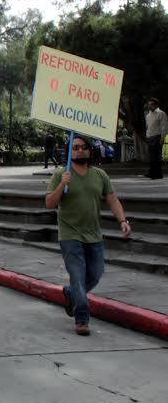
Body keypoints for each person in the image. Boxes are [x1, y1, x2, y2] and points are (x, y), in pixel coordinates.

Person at [45, 135, 131, 336]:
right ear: (69, 151)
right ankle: (82, 318)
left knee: (95, 273)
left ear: (90, 151)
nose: (80, 150)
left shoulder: (99, 175)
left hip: (93, 235)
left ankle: (69, 294)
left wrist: (123, 221)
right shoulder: (61, 174)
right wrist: (61, 185)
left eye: (84, 147)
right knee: (77, 277)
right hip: (69, 235)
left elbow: (113, 200)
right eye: (75, 147)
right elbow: (49, 203)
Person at [144, 97, 167, 179]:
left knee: (156, 156)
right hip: (150, 136)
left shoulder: (161, 114)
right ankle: (152, 172)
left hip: (157, 136)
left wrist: (162, 137)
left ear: (156, 105)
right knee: (151, 156)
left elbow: (164, 126)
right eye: (149, 105)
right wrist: (147, 136)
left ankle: (157, 174)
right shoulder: (148, 115)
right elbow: (148, 127)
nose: (150, 106)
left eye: (151, 105)